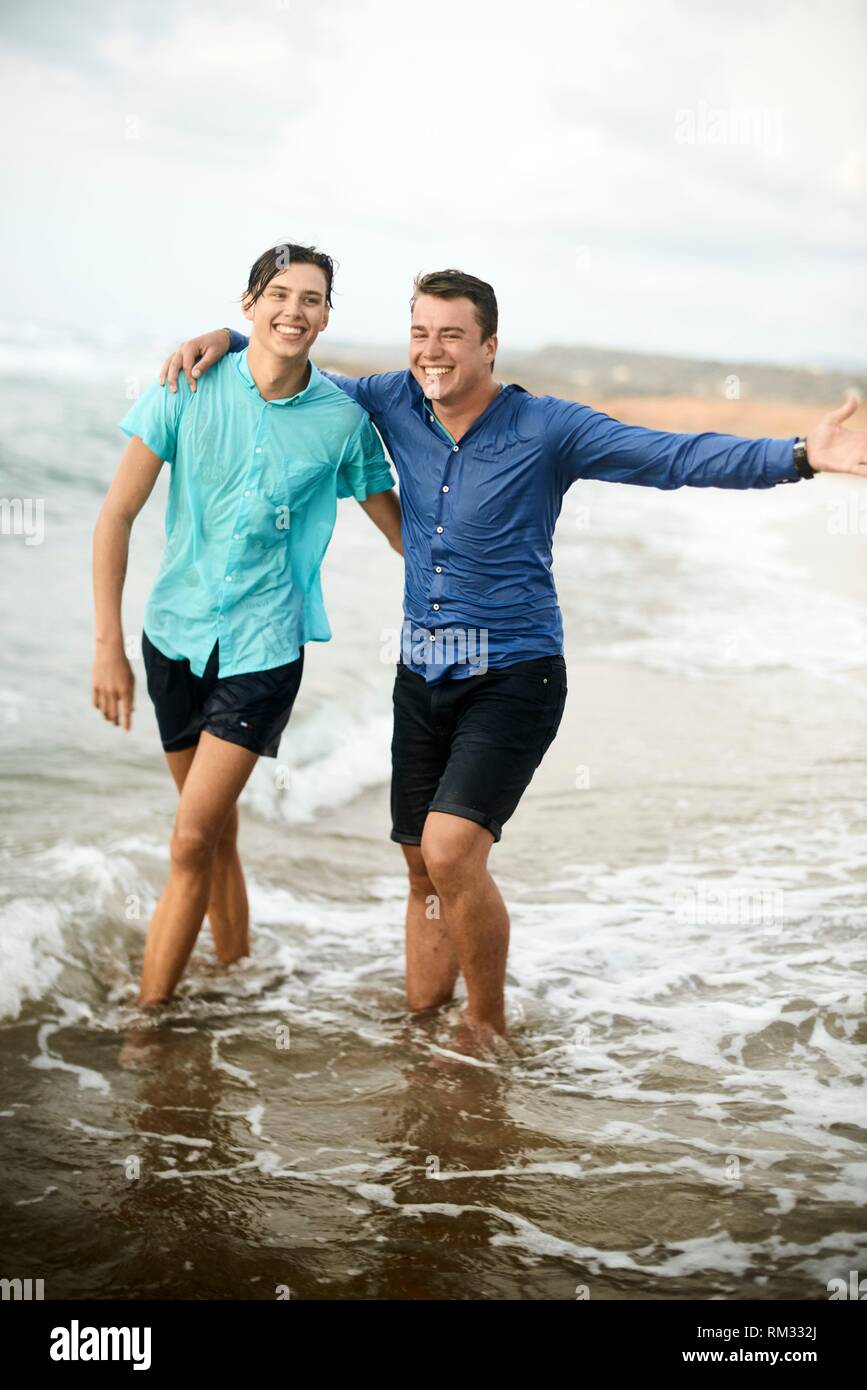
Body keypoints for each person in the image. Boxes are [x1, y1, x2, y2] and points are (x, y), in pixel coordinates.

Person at [160, 268, 867, 1048]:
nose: (432, 352)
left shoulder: (547, 429)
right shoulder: (391, 400)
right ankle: (422, 1023)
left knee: (450, 849)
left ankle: (484, 1021)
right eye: (420, 333)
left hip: (515, 675)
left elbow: (672, 456)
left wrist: (801, 454)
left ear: (488, 347)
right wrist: (225, 337)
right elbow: (291, 364)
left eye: (451, 336)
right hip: (420, 674)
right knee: (420, 872)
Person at [93, 242, 400, 1008]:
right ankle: (236, 970)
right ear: (248, 303)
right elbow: (117, 515)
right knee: (214, 831)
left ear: (328, 314)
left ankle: (148, 1023)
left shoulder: (342, 419)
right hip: (172, 639)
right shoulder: (185, 384)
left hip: (264, 650)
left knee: (190, 838)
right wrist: (109, 646)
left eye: (312, 298)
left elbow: (401, 529)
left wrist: (484, 575)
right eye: (279, 294)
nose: (294, 310)